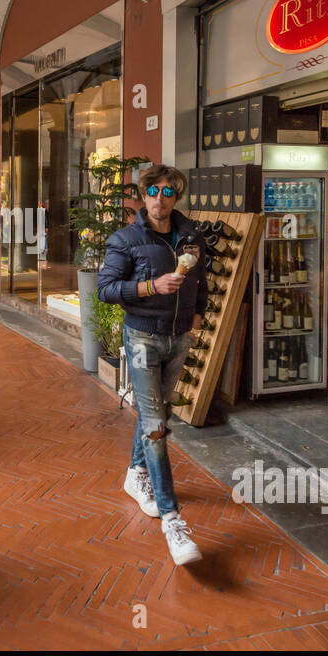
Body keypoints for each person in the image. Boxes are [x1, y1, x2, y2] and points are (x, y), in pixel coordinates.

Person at [97, 164, 210, 567]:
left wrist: (198, 313)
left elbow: (202, 280)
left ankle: (134, 474)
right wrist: (151, 286)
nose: (161, 199)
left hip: (179, 337)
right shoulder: (126, 240)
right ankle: (173, 520)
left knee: (155, 414)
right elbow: (106, 289)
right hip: (143, 337)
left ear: (176, 196)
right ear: (143, 195)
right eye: (154, 191)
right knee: (156, 426)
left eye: (169, 192)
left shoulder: (190, 234)